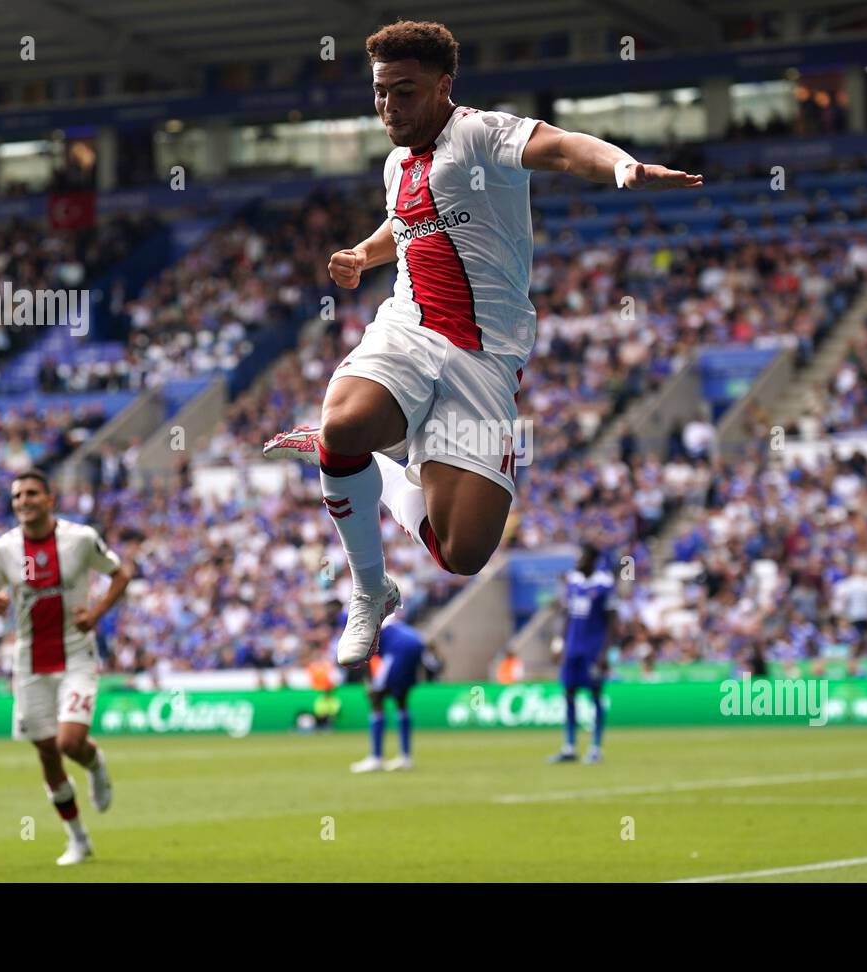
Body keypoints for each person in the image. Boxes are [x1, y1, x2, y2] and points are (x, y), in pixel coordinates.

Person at [263, 19, 701, 667]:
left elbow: (558, 147)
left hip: (484, 359)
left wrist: (622, 168)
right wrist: (362, 253)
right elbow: (405, 224)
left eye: (404, 91)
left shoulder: (476, 133)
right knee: (347, 422)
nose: (388, 106)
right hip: (407, 330)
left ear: (444, 87)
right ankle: (369, 586)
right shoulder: (396, 163)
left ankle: (375, 471)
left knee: (462, 554)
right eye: (381, 92)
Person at [0, 468, 134, 865]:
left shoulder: (79, 539)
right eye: (17, 496)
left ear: (49, 499)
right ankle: (78, 839)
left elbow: (120, 574)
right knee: (47, 752)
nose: (23, 501)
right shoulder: (2, 550)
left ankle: (94, 764)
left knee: (69, 743)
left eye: (31, 493)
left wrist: (96, 614)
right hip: (29, 661)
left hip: (76, 653)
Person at [550, 545, 616, 765]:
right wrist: (560, 643)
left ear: (593, 559)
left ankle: (596, 748)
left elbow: (612, 621)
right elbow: (567, 615)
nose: (578, 562)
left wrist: (605, 652)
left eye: (582, 558)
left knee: (595, 694)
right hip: (573, 648)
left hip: (593, 650)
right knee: (569, 693)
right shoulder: (574, 583)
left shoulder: (604, 584)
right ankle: (569, 746)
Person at [350, 616, 427, 773]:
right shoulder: (385, 620)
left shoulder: (365, 626)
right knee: (401, 700)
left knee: (376, 699)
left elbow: (366, 657)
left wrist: (370, 684)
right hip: (417, 642)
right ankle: (405, 757)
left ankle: (376, 758)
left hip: (399, 648)